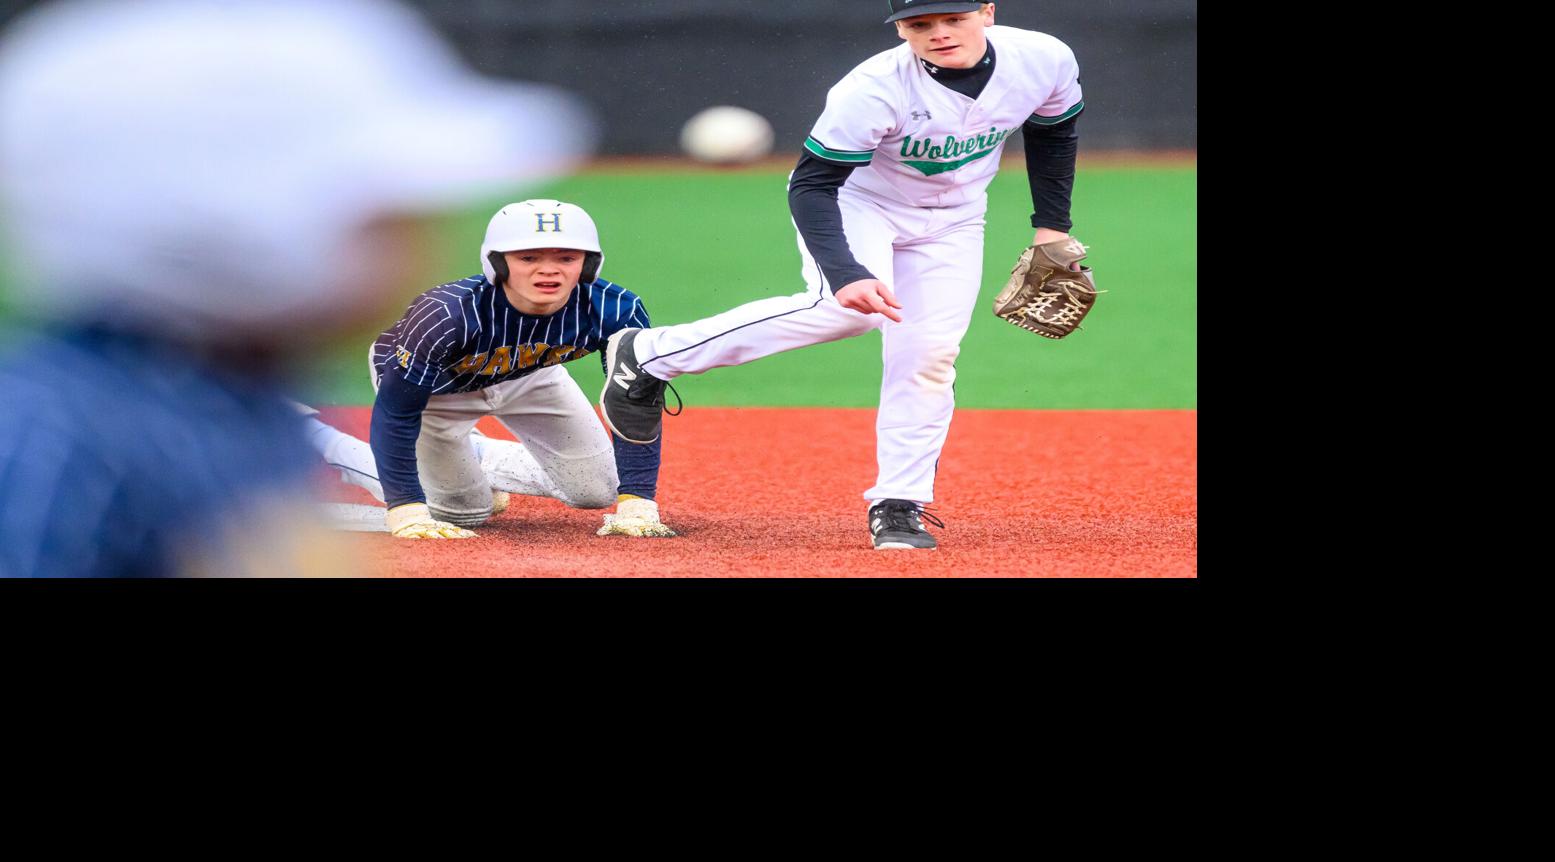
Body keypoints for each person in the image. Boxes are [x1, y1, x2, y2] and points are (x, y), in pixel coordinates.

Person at [0, 0, 589, 576]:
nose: (419, 237)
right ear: (244, 230)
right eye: (379, 210)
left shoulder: (216, 398)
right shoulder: (53, 450)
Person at [601, 1, 1084, 550]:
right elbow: (812, 185)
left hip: (956, 218)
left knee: (929, 353)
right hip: (859, 204)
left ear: (987, 12)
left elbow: (1054, 133)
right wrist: (845, 271)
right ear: (902, 28)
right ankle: (651, 355)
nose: (939, 33)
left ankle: (898, 504)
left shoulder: (1044, 59)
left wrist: (1052, 229)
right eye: (920, 23)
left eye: (954, 17)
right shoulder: (875, 87)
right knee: (842, 311)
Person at [303, 199, 676, 541]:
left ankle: (475, 456)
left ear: (589, 263)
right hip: (438, 392)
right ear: (497, 263)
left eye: (566, 257)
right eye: (528, 258)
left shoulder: (616, 310)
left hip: (531, 377)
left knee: (597, 490)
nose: (549, 270)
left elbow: (635, 403)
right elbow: (397, 412)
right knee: (460, 512)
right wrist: (405, 506)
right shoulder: (446, 314)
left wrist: (638, 499)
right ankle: (320, 438)